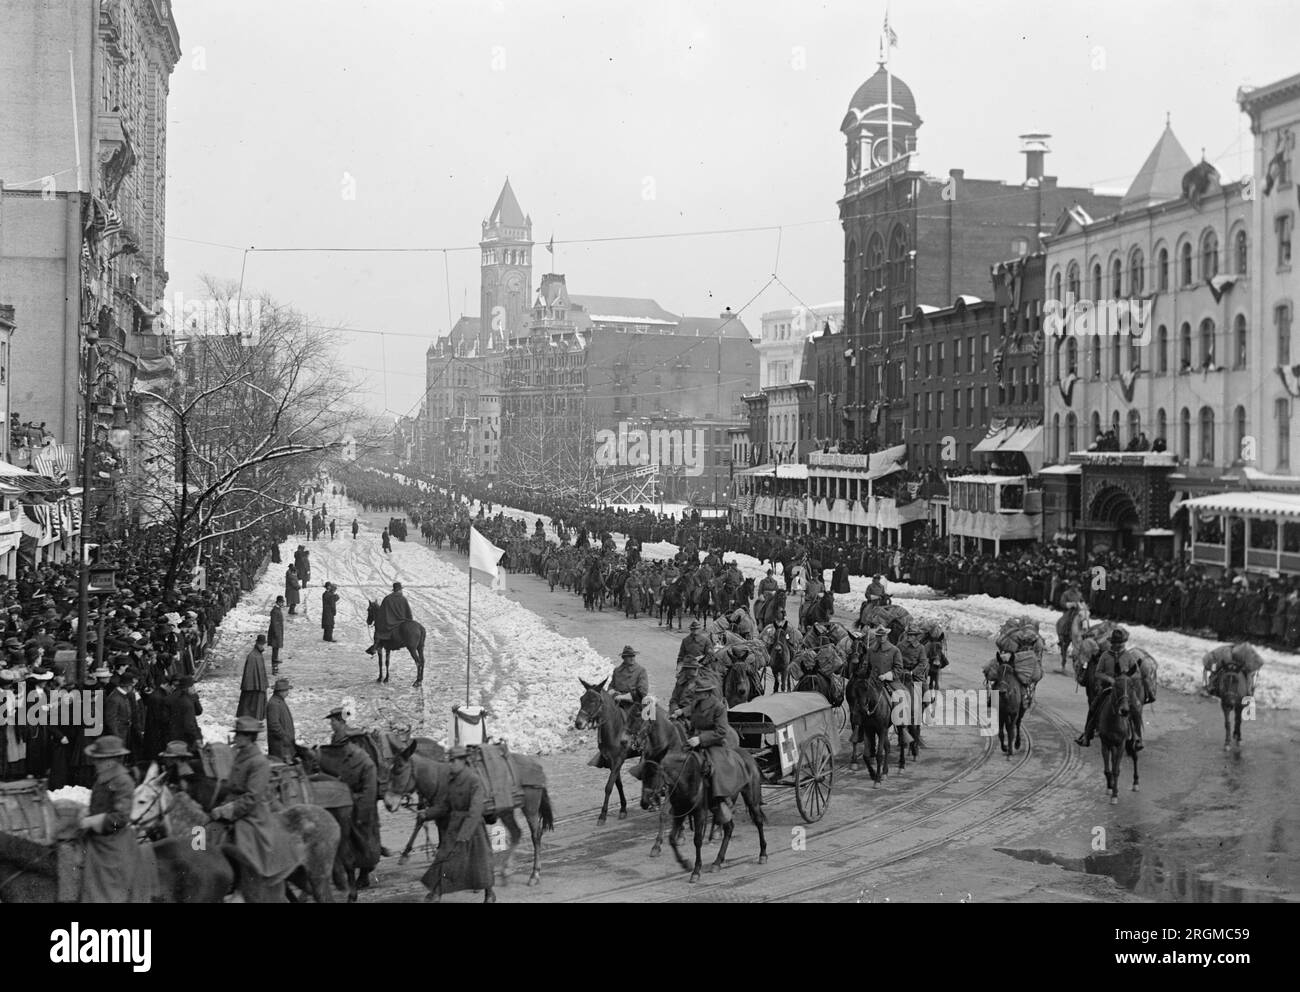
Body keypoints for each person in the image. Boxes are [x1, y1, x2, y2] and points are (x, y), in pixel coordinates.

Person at [210, 717, 301, 903]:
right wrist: (218, 805)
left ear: (250, 737)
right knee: (203, 831)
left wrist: (228, 810)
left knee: (242, 845)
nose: (237, 738)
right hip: (233, 807)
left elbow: (252, 797)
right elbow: (232, 787)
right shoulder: (240, 755)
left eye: (241, 735)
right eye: (237, 734)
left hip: (252, 815)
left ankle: (243, 888)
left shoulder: (259, 762)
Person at [79, 735, 153, 903]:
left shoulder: (122, 781)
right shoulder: (104, 777)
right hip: (98, 834)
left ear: (112, 760)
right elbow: (101, 805)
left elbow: (121, 818)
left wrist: (93, 821)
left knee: (103, 885)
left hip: (112, 841)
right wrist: (87, 813)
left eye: (99, 760)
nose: (95, 763)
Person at [419, 744, 495, 904]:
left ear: (463, 761)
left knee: (480, 863)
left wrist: (464, 835)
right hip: (454, 826)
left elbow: (475, 811)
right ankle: (437, 892)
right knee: (443, 857)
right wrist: (427, 813)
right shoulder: (451, 781)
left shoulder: (474, 780)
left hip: (473, 830)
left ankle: (489, 893)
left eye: (453, 761)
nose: (451, 764)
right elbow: (445, 805)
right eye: (449, 761)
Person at [1077, 627, 1142, 749]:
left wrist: (1126, 678)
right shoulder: (1105, 656)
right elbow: (1098, 673)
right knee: (1094, 707)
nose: (1118, 645)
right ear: (1111, 643)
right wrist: (1110, 679)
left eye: (1120, 643)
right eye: (1116, 643)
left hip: (1124, 689)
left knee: (1136, 707)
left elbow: (1137, 673)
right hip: (1108, 688)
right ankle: (1087, 734)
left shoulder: (1128, 656)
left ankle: (1137, 737)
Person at [367, 582, 413, 656]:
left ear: (394, 590)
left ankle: (375, 647)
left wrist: (378, 623)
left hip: (390, 624)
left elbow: (381, 614)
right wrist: (410, 623)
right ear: (400, 590)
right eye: (401, 590)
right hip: (402, 623)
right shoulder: (403, 599)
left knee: (378, 633)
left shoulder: (387, 599)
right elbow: (408, 613)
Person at [237, 634, 269, 720]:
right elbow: (248, 673)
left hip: (257, 686)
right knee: (251, 704)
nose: (262, 646)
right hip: (252, 687)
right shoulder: (253, 656)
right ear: (258, 643)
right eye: (261, 644)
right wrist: (252, 684)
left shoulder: (258, 654)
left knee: (256, 704)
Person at [168, 676, 203, 750]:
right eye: (192, 686)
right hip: (186, 738)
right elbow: (197, 714)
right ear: (188, 687)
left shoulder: (172, 696)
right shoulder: (188, 702)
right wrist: (196, 738)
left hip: (172, 735)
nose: (194, 689)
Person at [266, 678, 296, 763]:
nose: (288, 693)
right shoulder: (274, 704)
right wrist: (284, 737)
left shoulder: (279, 701)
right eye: (286, 690)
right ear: (281, 691)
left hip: (284, 744)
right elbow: (273, 724)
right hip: (280, 745)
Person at [268, 596, 286, 675]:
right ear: (278, 602)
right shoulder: (275, 611)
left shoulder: (277, 609)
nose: (282, 604)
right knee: (275, 648)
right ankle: (274, 664)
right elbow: (274, 623)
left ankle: (275, 660)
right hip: (276, 633)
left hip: (277, 632)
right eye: (282, 602)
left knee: (276, 648)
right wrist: (276, 633)